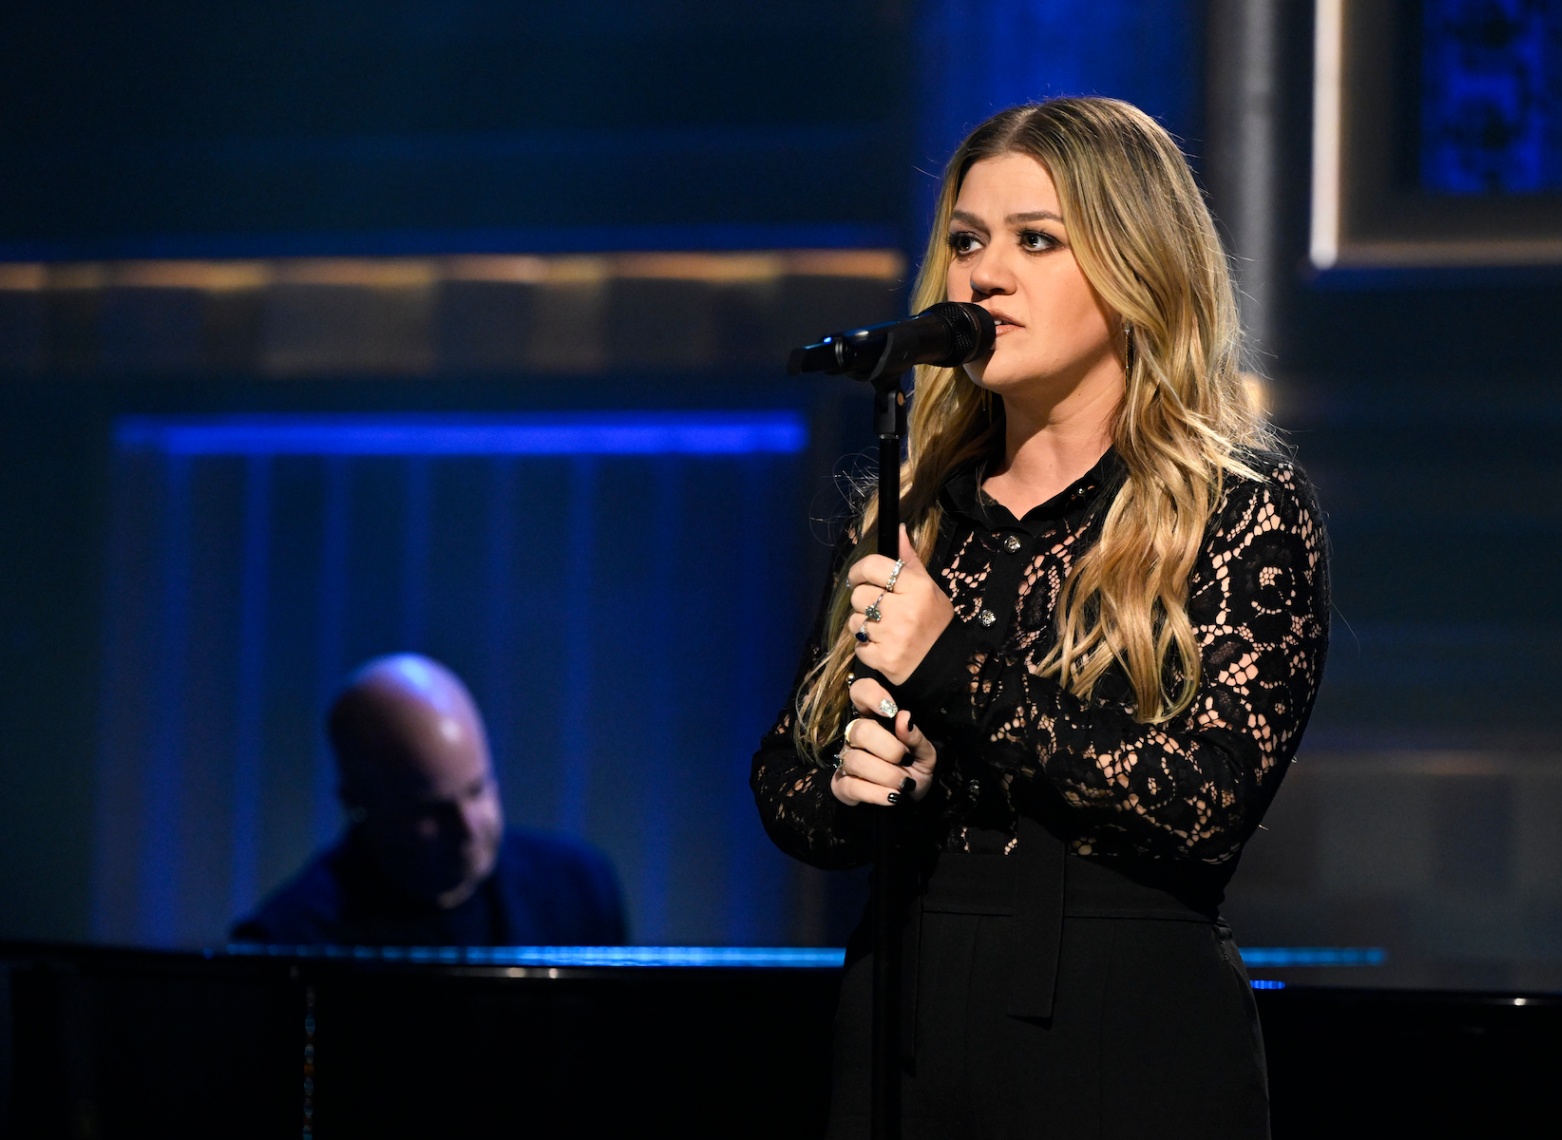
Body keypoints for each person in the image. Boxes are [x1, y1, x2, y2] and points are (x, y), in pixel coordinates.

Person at [751, 97, 1328, 1138]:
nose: (984, 275)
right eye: (967, 240)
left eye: (1036, 240)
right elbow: (786, 782)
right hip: (906, 1014)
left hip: (1124, 1033)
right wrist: (854, 784)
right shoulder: (912, 511)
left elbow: (1205, 803)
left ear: (1136, 264)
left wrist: (952, 668)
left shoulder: (1237, 511)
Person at [233, 653, 626, 947]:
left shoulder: (580, 892)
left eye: (478, 789)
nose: (469, 827)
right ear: (357, 803)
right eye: (431, 810)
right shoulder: (289, 943)